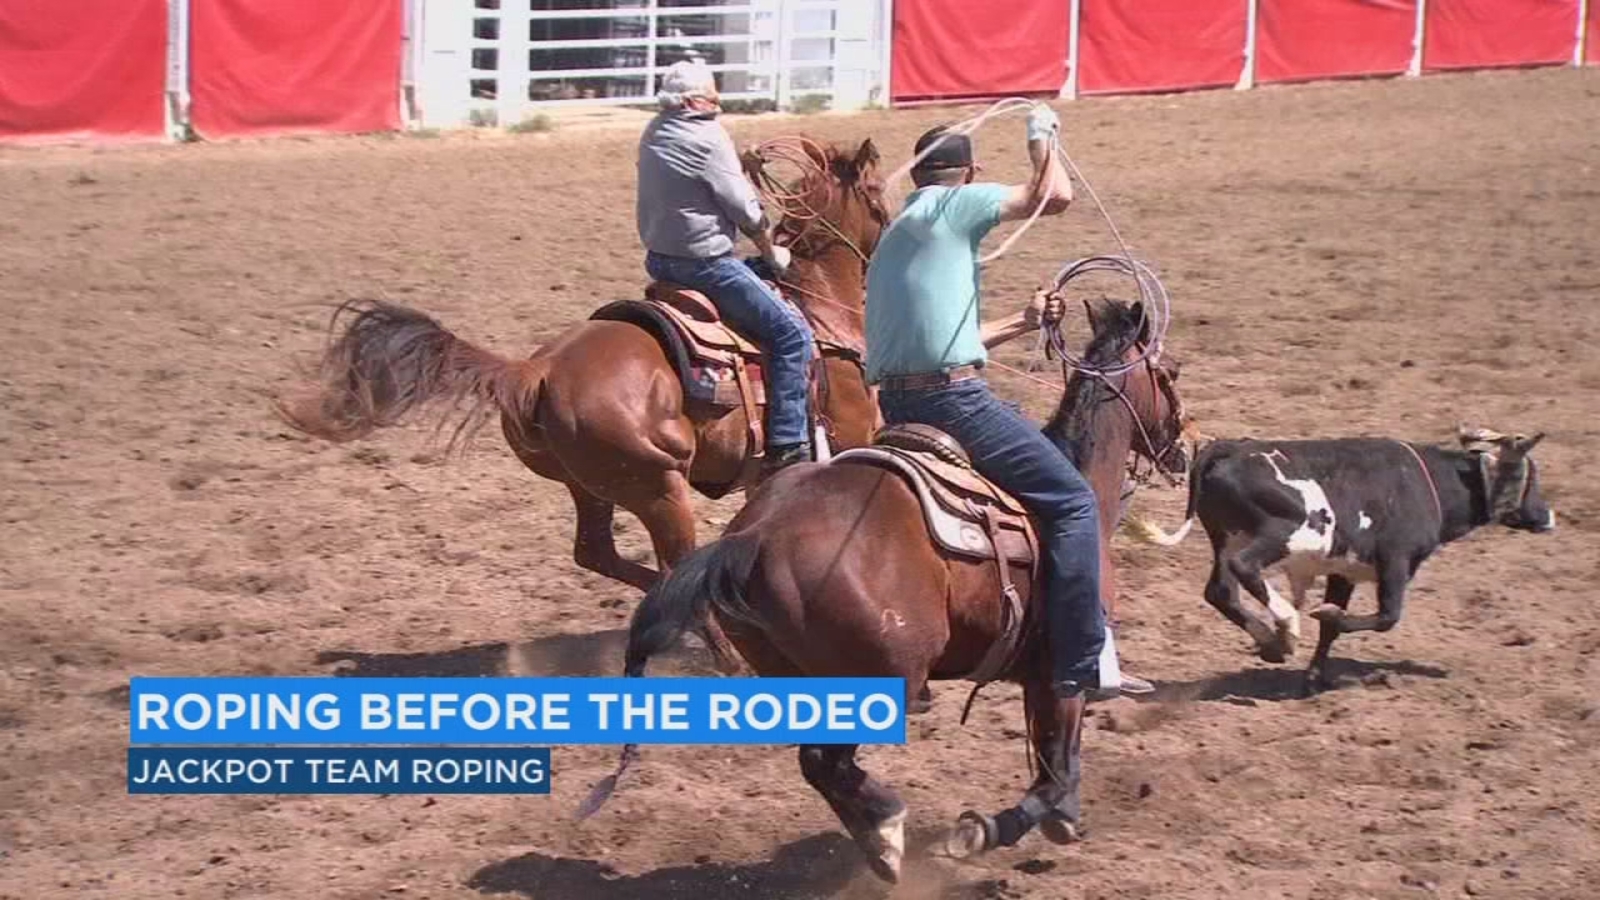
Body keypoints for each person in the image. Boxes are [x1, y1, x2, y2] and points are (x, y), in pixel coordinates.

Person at [862, 106, 1153, 700]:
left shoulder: (899, 230)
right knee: (1072, 502)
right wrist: (1041, 132)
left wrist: (1022, 323)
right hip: (955, 402)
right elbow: (1056, 195)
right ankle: (1080, 662)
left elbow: (938, 339)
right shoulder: (955, 205)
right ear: (969, 174)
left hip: (899, 405)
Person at [635, 59, 815, 476]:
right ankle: (789, 444)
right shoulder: (708, 136)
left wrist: (736, 161)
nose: (717, 100)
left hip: (660, 261)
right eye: (712, 94)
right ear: (694, 100)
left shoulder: (654, 132)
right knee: (791, 335)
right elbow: (746, 212)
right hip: (706, 265)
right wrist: (772, 253)